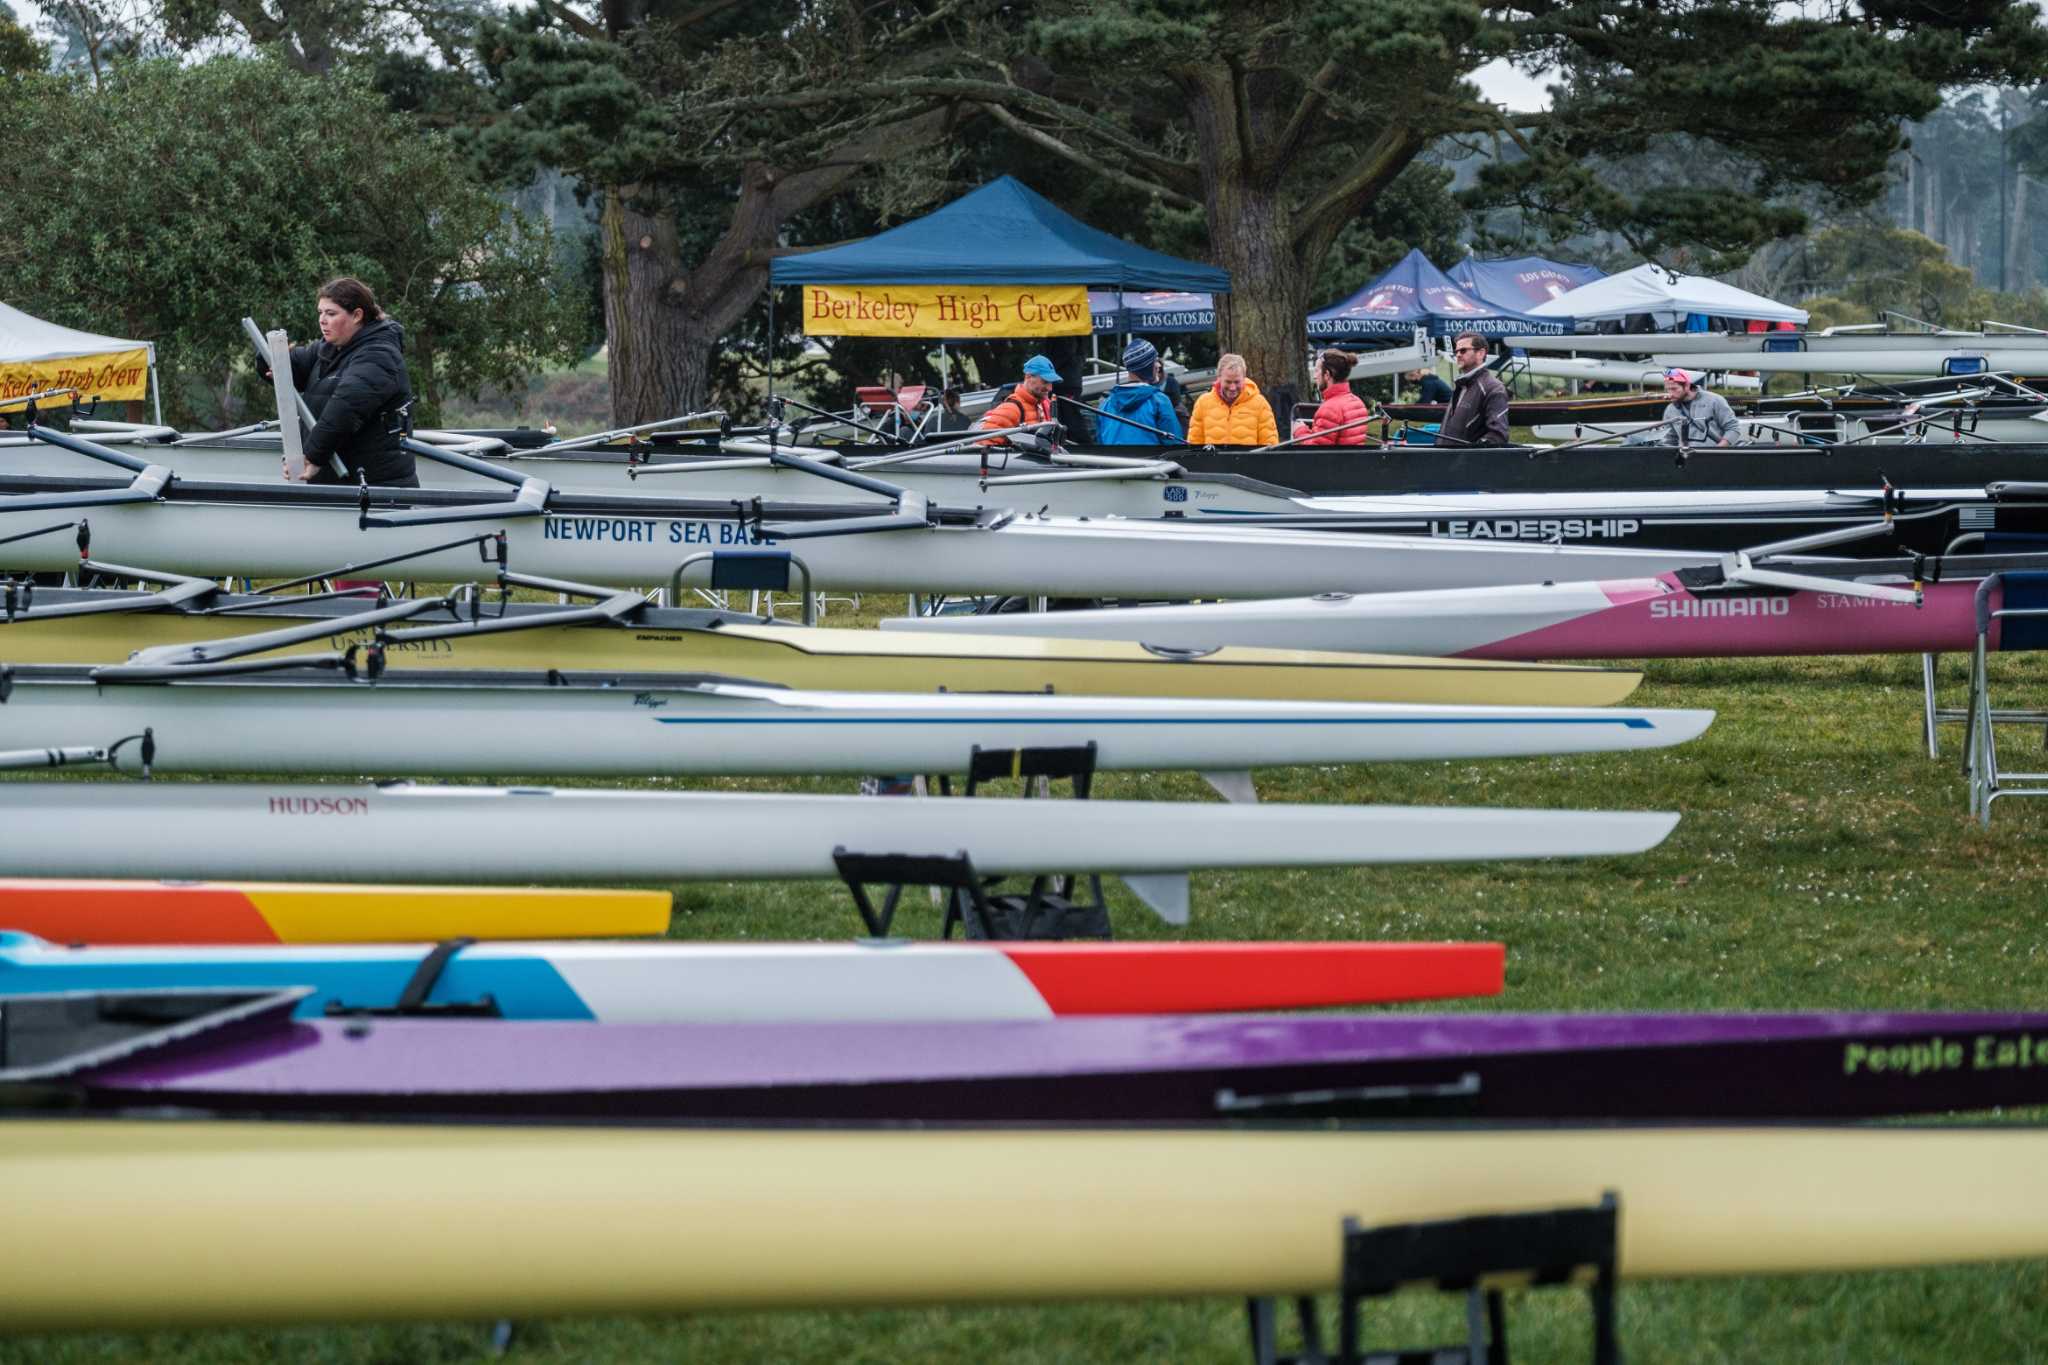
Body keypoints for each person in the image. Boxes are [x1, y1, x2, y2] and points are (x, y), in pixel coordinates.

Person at [282, 277, 415, 486]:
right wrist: (271, 359)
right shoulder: (329, 349)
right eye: (320, 312)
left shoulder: (379, 354)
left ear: (357, 315)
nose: (322, 320)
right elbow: (293, 366)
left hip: (374, 488)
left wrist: (313, 455)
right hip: (337, 485)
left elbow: (346, 406)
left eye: (331, 313)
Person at [1095, 338, 1182, 445]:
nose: (1158, 365)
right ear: (1146, 367)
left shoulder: (1105, 405)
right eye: (1155, 361)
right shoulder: (1159, 401)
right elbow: (1175, 445)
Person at [1186, 353, 1278, 446]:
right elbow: (1194, 445)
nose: (1232, 387)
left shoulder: (1260, 404)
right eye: (1228, 382)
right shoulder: (1203, 403)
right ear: (1219, 378)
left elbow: (1270, 445)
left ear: (1244, 378)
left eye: (1237, 382)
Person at [1437, 331, 1510, 447]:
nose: (1458, 355)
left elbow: (1498, 436)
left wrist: (1467, 454)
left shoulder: (1493, 388)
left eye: (1463, 350)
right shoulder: (1461, 384)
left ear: (1480, 353)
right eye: (1456, 351)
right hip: (1444, 456)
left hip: (1464, 458)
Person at [1297, 348, 1371, 446]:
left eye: (1317, 371)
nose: (1314, 376)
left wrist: (1300, 430)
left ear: (1327, 375)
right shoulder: (1357, 402)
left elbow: (1316, 449)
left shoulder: (1330, 409)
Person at [973, 354, 1060, 434]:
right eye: (1045, 381)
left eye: (1051, 382)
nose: (1050, 388)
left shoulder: (1045, 404)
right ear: (1028, 377)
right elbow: (984, 444)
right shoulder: (1010, 409)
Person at [1657, 367, 1742, 446]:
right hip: (1687, 456)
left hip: (1715, 454)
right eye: (1667, 389)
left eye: (1674, 389)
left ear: (1687, 386)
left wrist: (1718, 450)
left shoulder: (1714, 400)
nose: (1670, 394)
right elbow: (1669, 440)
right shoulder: (1670, 410)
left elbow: (1733, 428)